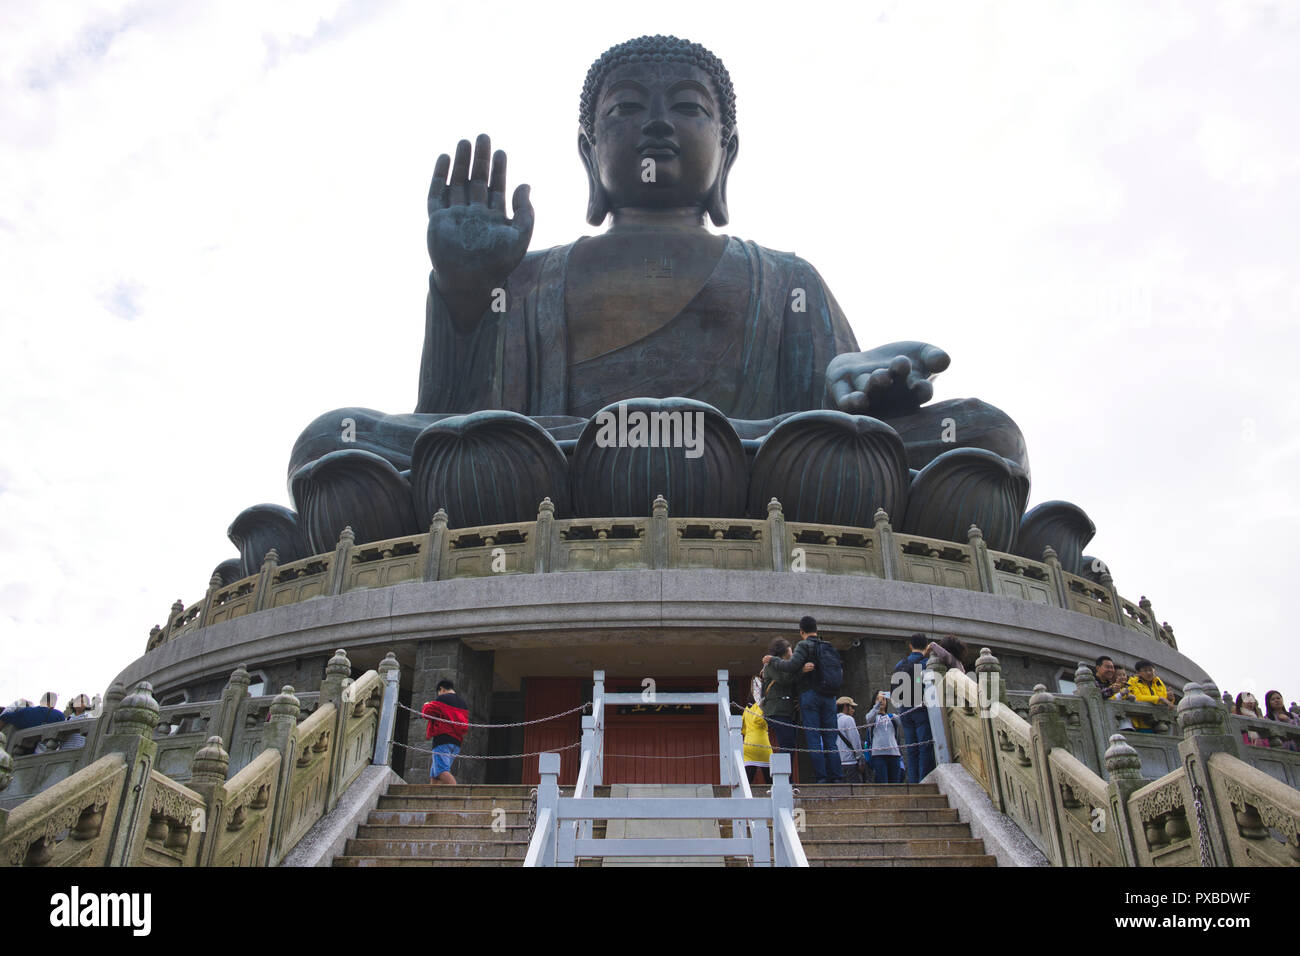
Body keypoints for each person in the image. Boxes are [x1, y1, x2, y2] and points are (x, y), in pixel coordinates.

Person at [763, 616, 841, 783]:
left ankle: (821, 777)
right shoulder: (827, 646)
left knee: (813, 738)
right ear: (817, 629)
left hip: (810, 697)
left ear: (801, 631)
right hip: (829, 696)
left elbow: (791, 667)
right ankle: (836, 776)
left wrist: (774, 660)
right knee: (830, 739)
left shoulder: (803, 646)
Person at [893, 634, 935, 782]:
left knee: (911, 747)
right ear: (926, 645)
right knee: (924, 746)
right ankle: (924, 779)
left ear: (910, 646)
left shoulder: (900, 664)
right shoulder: (926, 663)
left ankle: (912, 780)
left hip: (905, 709)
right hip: (921, 709)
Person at [420, 679, 470, 785]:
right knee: (435, 774)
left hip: (442, 740)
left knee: (442, 772)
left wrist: (426, 704)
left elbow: (426, 713)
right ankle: (432, 799)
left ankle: (459, 798)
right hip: (456, 742)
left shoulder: (442, 699)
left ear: (441, 689)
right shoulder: (463, 703)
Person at [760, 638, 800, 764]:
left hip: (785, 711)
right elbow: (784, 679)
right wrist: (801, 671)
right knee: (786, 744)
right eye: (790, 648)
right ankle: (786, 778)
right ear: (784, 650)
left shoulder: (781, 664)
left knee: (789, 744)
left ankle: (787, 777)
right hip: (776, 711)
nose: (792, 652)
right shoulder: (771, 665)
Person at [862, 691, 905, 783]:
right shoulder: (872, 717)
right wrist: (877, 705)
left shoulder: (892, 717)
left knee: (895, 783)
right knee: (882, 782)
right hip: (878, 755)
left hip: (894, 754)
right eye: (877, 699)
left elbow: (903, 720)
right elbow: (868, 719)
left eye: (883, 699)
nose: (881, 701)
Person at [742, 682, 772, 785]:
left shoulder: (746, 708)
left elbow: (743, 728)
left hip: (747, 743)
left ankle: (744, 798)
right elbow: (758, 719)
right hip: (761, 742)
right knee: (770, 776)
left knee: (748, 777)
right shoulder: (760, 705)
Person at [834, 697, 866, 784]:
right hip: (850, 762)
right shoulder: (848, 719)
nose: (853, 710)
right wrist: (860, 758)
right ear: (845, 706)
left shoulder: (832, 721)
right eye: (852, 707)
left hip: (836, 763)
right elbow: (855, 740)